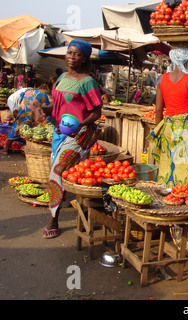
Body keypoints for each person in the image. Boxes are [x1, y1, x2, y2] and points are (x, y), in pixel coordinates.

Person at [36, 39, 103, 239]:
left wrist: (81, 124)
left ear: (84, 59)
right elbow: (55, 106)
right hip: (58, 134)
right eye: (69, 53)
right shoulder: (62, 77)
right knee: (65, 174)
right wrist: (42, 110)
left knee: (57, 172)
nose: (71, 57)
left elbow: (97, 111)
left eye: (77, 54)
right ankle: (83, 210)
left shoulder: (87, 81)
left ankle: (53, 219)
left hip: (78, 137)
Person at [149, 45, 188, 195]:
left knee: (169, 164)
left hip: (169, 129)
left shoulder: (162, 79)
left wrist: (160, 131)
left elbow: (158, 110)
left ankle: (168, 197)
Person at [2, 79, 52, 154]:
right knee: (44, 120)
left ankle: (5, 149)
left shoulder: (10, 100)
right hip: (43, 95)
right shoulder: (18, 94)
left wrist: (18, 124)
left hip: (31, 97)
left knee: (18, 123)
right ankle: (45, 147)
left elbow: (16, 115)